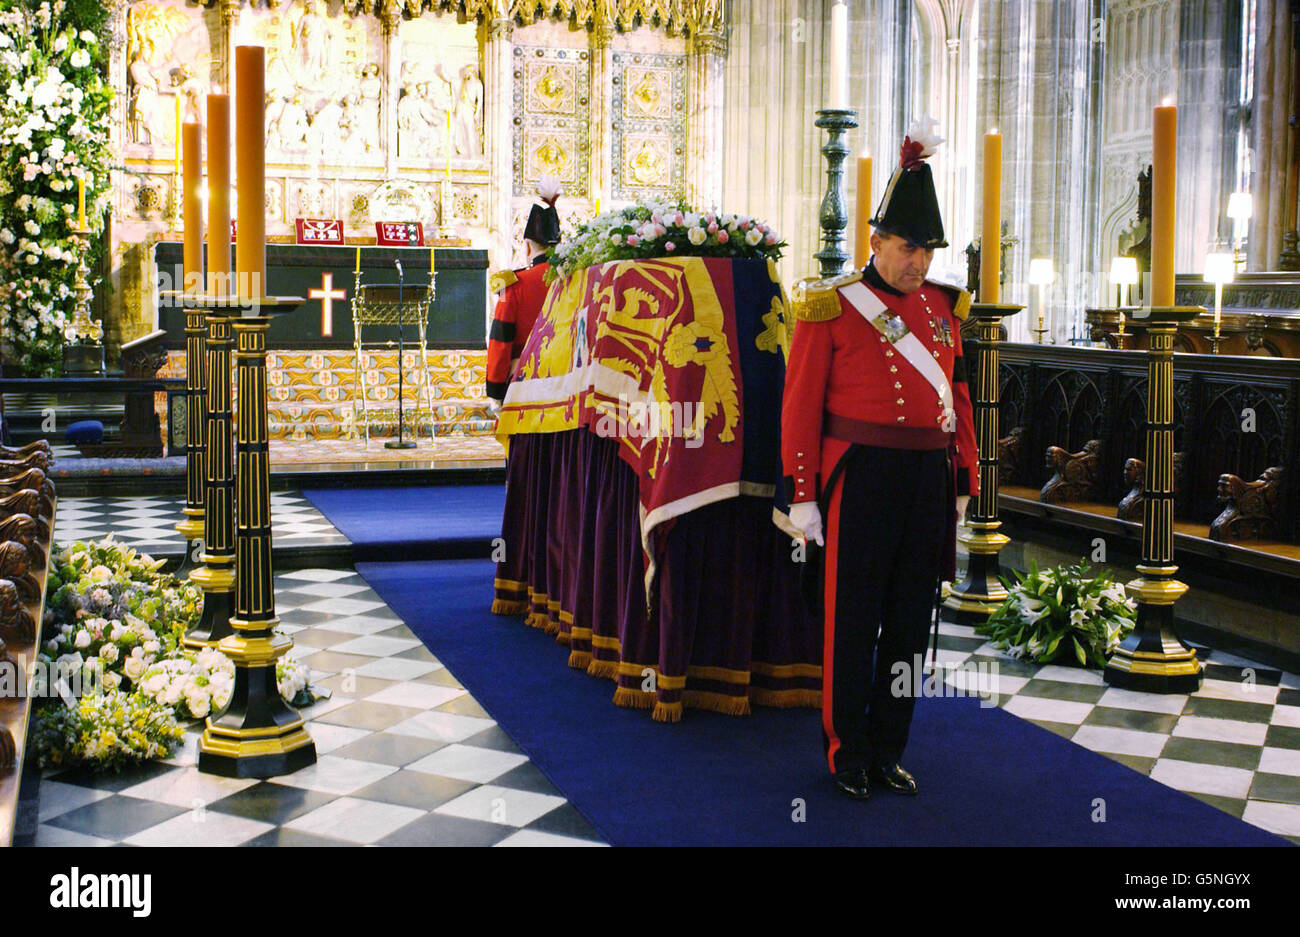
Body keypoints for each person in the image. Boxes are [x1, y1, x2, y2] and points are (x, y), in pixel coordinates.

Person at [781, 119, 978, 800]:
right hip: (860, 477)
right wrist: (801, 492)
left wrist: (962, 478)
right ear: (876, 242)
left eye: (926, 249)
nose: (918, 261)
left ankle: (889, 746)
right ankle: (846, 749)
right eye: (906, 247)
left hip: (924, 480)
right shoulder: (830, 306)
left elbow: (957, 396)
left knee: (908, 624)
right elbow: (800, 405)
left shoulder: (943, 311)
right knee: (851, 619)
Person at [486, 176, 562, 409]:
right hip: (567, 379)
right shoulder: (575, 280)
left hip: (524, 381)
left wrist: (496, 391)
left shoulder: (514, 285)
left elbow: (501, 341)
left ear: (527, 246)